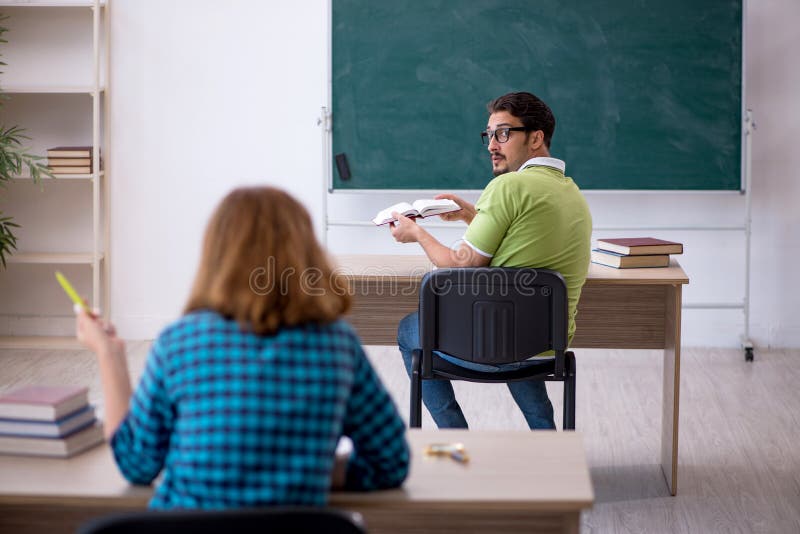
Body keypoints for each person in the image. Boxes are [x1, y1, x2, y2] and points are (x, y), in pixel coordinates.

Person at [76, 186, 409, 509]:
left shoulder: (179, 343)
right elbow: (390, 462)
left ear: (216, 255)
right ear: (306, 254)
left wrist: (108, 354)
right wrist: (310, 472)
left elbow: (136, 464)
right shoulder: (336, 345)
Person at [390, 91, 592, 430]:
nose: (492, 145)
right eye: (489, 135)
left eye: (503, 133)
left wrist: (417, 234)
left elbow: (461, 264)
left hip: (490, 345)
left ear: (536, 138)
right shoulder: (571, 192)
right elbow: (518, 240)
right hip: (545, 344)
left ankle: (456, 437)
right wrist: (471, 214)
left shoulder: (508, 186)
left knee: (408, 329)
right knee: (515, 324)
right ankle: (547, 438)